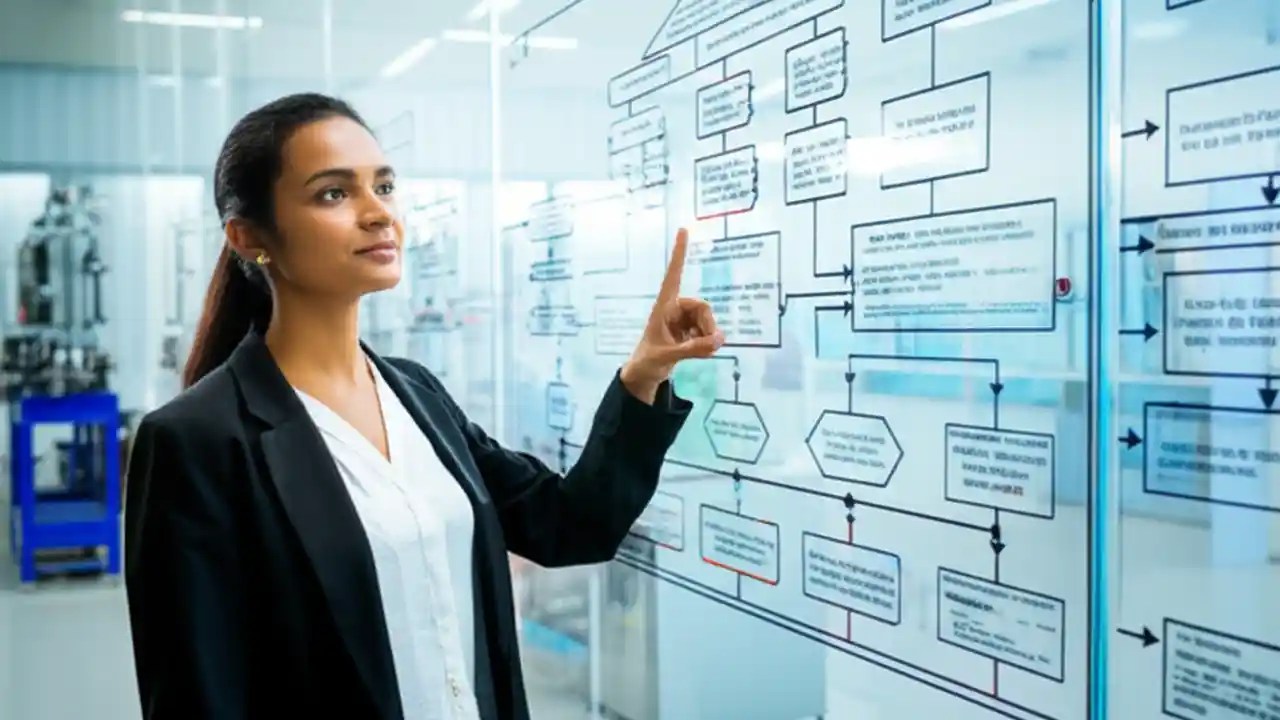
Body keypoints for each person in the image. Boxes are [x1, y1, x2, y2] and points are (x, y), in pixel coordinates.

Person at [122, 92, 724, 720]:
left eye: (383, 186)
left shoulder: (416, 395)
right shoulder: (196, 440)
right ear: (250, 238)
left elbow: (571, 524)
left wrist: (645, 372)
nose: (378, 212)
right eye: (334, 193)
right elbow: (198, 696)